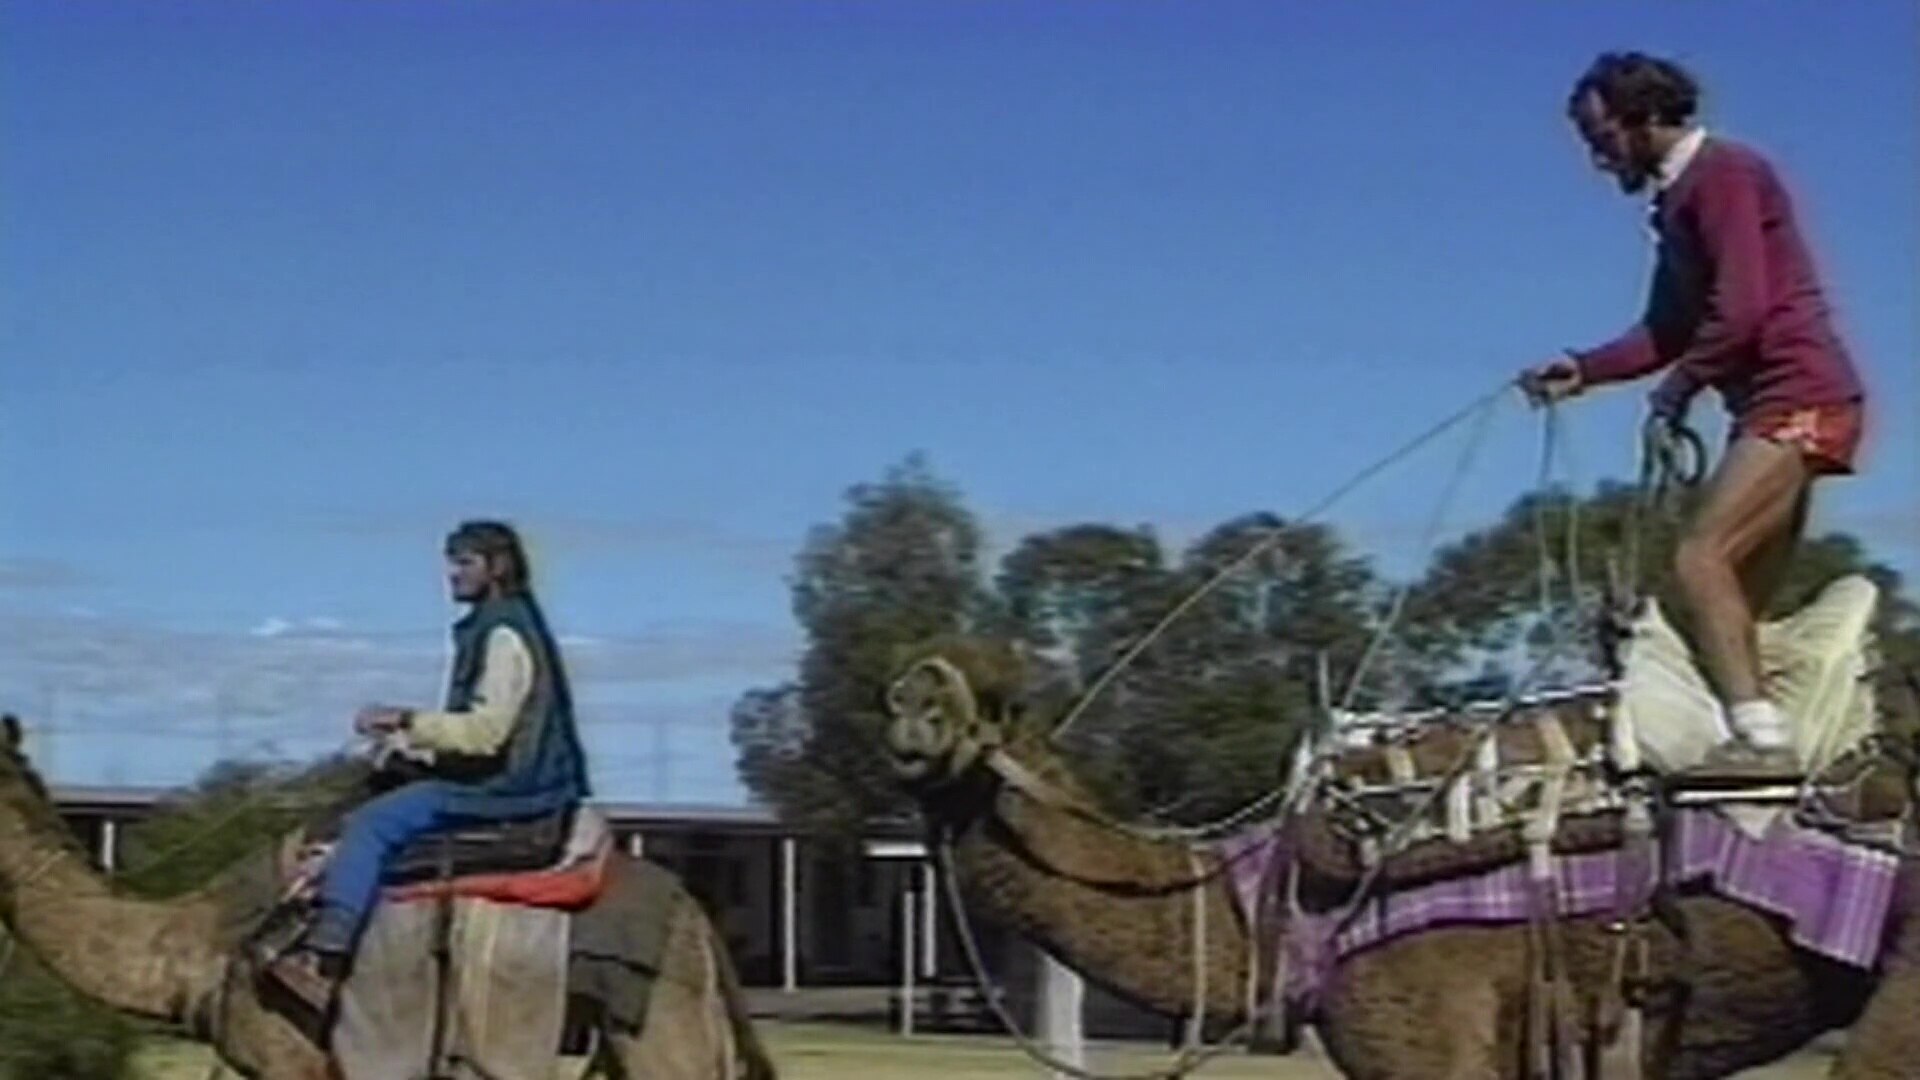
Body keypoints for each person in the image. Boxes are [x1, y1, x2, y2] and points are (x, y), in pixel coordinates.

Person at [1520, 52, 1866, 771]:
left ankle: (1761, 745)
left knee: (1698, 559)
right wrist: (1583, 369)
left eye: (1601, 135)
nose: (1596, 156)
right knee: (1728, 596)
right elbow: (1669, 329)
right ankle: (1762, 748)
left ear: (1643, 119)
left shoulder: (1726, 176)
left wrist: (1678, 390)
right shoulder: (1677, 202)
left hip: (1799, 393)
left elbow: (1741, 310)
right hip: (1768, 404)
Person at [264, 520, 591, 1009]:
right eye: (452, 562)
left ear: (497, 568)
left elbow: (486, 733)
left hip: (514, 790)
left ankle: (325, 957)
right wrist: (410, 746)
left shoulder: (503, 634)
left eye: (465, 563)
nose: (452, 575)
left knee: (374, 824)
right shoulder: (499, 624)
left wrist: (406, 719)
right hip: (516, 779)